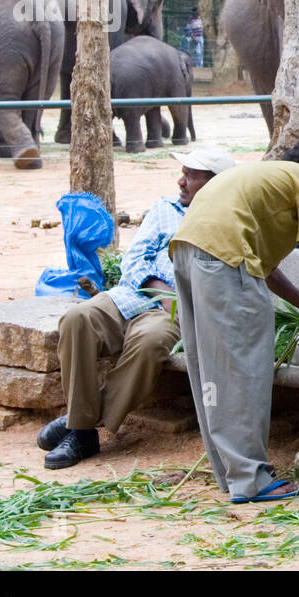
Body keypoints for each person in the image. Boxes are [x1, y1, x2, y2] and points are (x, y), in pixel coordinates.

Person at [169, 140, 299, 503]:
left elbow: (268, 271)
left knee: (210, 368)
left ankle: (233, 473)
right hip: (224, 262)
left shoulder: (264, 178)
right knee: (245, 368)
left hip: (186, 251)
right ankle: (251, 479)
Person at [37, 146, 237, 469]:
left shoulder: (230, 222)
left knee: (150, 343)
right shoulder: (165, 208)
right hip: (132, 295)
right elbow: (134, 259)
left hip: (174, 311)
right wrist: (159, 289)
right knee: (77, 318)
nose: (180, 182)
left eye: (190, 176)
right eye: (182, 173)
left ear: (214, 184)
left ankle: (81, 429)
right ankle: (81, 428)